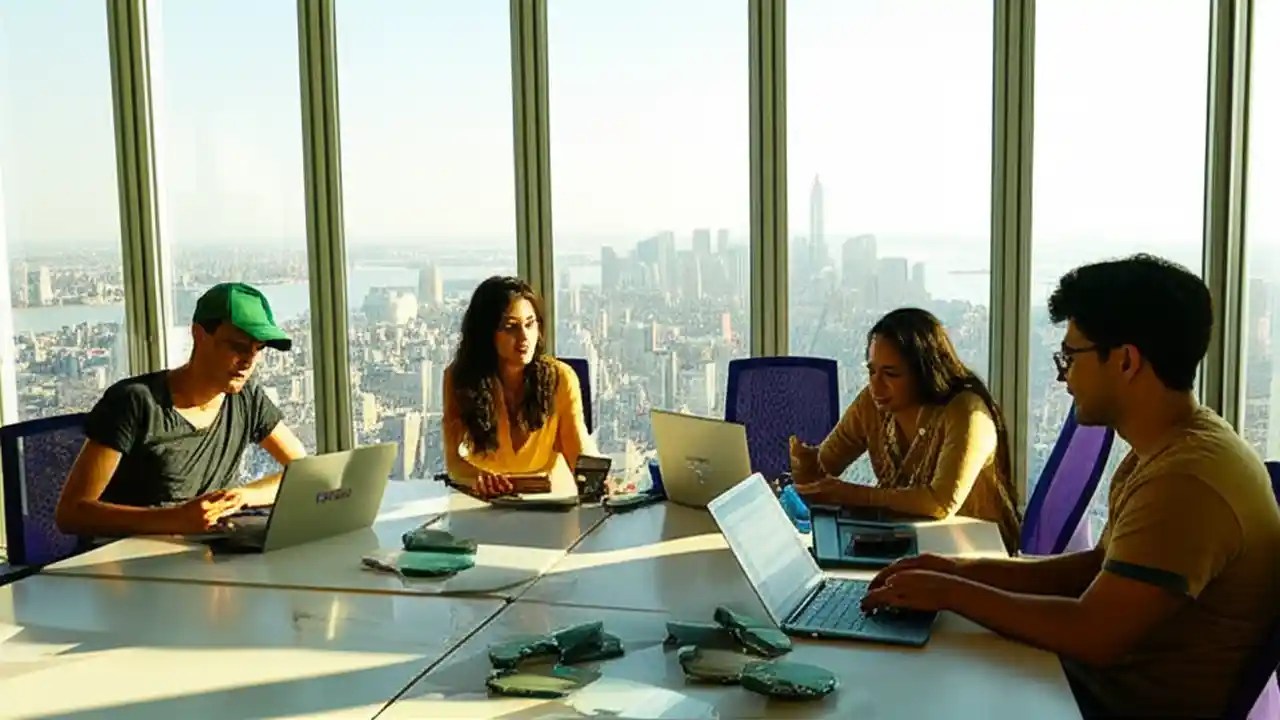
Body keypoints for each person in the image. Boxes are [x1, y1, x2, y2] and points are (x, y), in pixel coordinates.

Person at [863, 255, 1280, 718]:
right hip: (1086, 688)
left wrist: (950, 594)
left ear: (1125, 361)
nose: (1063, 376)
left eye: (1071, 357)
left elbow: (1092, 632)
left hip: (1108, 706)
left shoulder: (1187, 480)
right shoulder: (1167, 448)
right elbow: (1094, 571)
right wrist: (956, 570)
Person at [56, 282, 308, 537]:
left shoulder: (247, 397)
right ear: (199, 335)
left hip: (207, 549)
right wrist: (175, 519)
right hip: (130, 553)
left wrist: (243, 496)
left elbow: (304, 472)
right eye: (238, 346)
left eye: (258, 349)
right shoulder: (136, 402)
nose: (248, 361)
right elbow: (71, 514)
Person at [789, 307, 1021, 551]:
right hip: (908, 547)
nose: (876, 385)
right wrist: (805, 467)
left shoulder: (968, 413)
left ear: (925, 372)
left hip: (974, 553)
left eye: (891, 374)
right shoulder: (873, 403)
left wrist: (850, 494)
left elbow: (940, 503)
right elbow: (825, 466)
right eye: (872, 371)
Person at [442, 276, 593, 498]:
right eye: (510, 327)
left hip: (549, 502)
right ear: (486, 333)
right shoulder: (459, 379)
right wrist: (481, 479)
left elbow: (580, 454)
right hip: (484, 504)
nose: (524, 337)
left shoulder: (560, 378)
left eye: (530, 324)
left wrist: (602, 482)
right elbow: (454, 464)